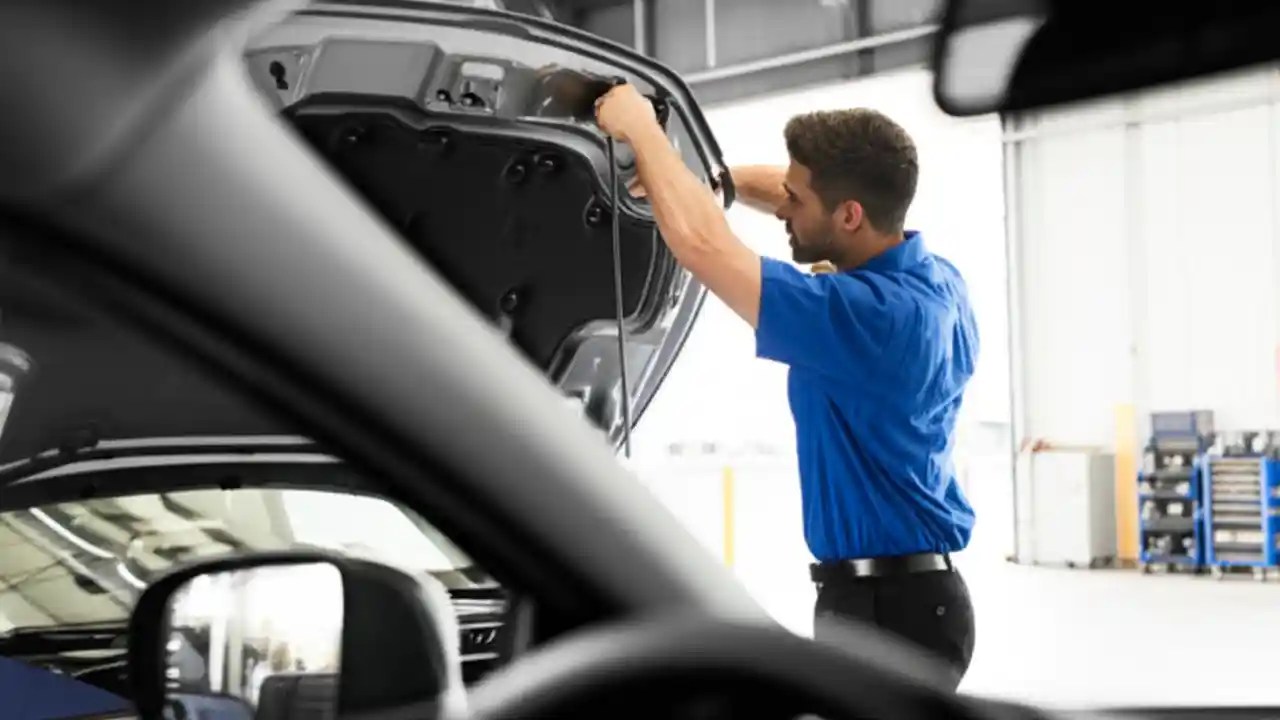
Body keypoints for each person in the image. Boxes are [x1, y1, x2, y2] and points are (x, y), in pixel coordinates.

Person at [595, 87, 978, 689]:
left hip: (889, 615)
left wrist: (642, 131)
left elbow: (703, 246)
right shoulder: (933, 280)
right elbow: (795, 192)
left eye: (795, 201)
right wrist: (714, 185)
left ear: (850, 215)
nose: (782, 210)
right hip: (905, 602)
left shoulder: (868, 318)